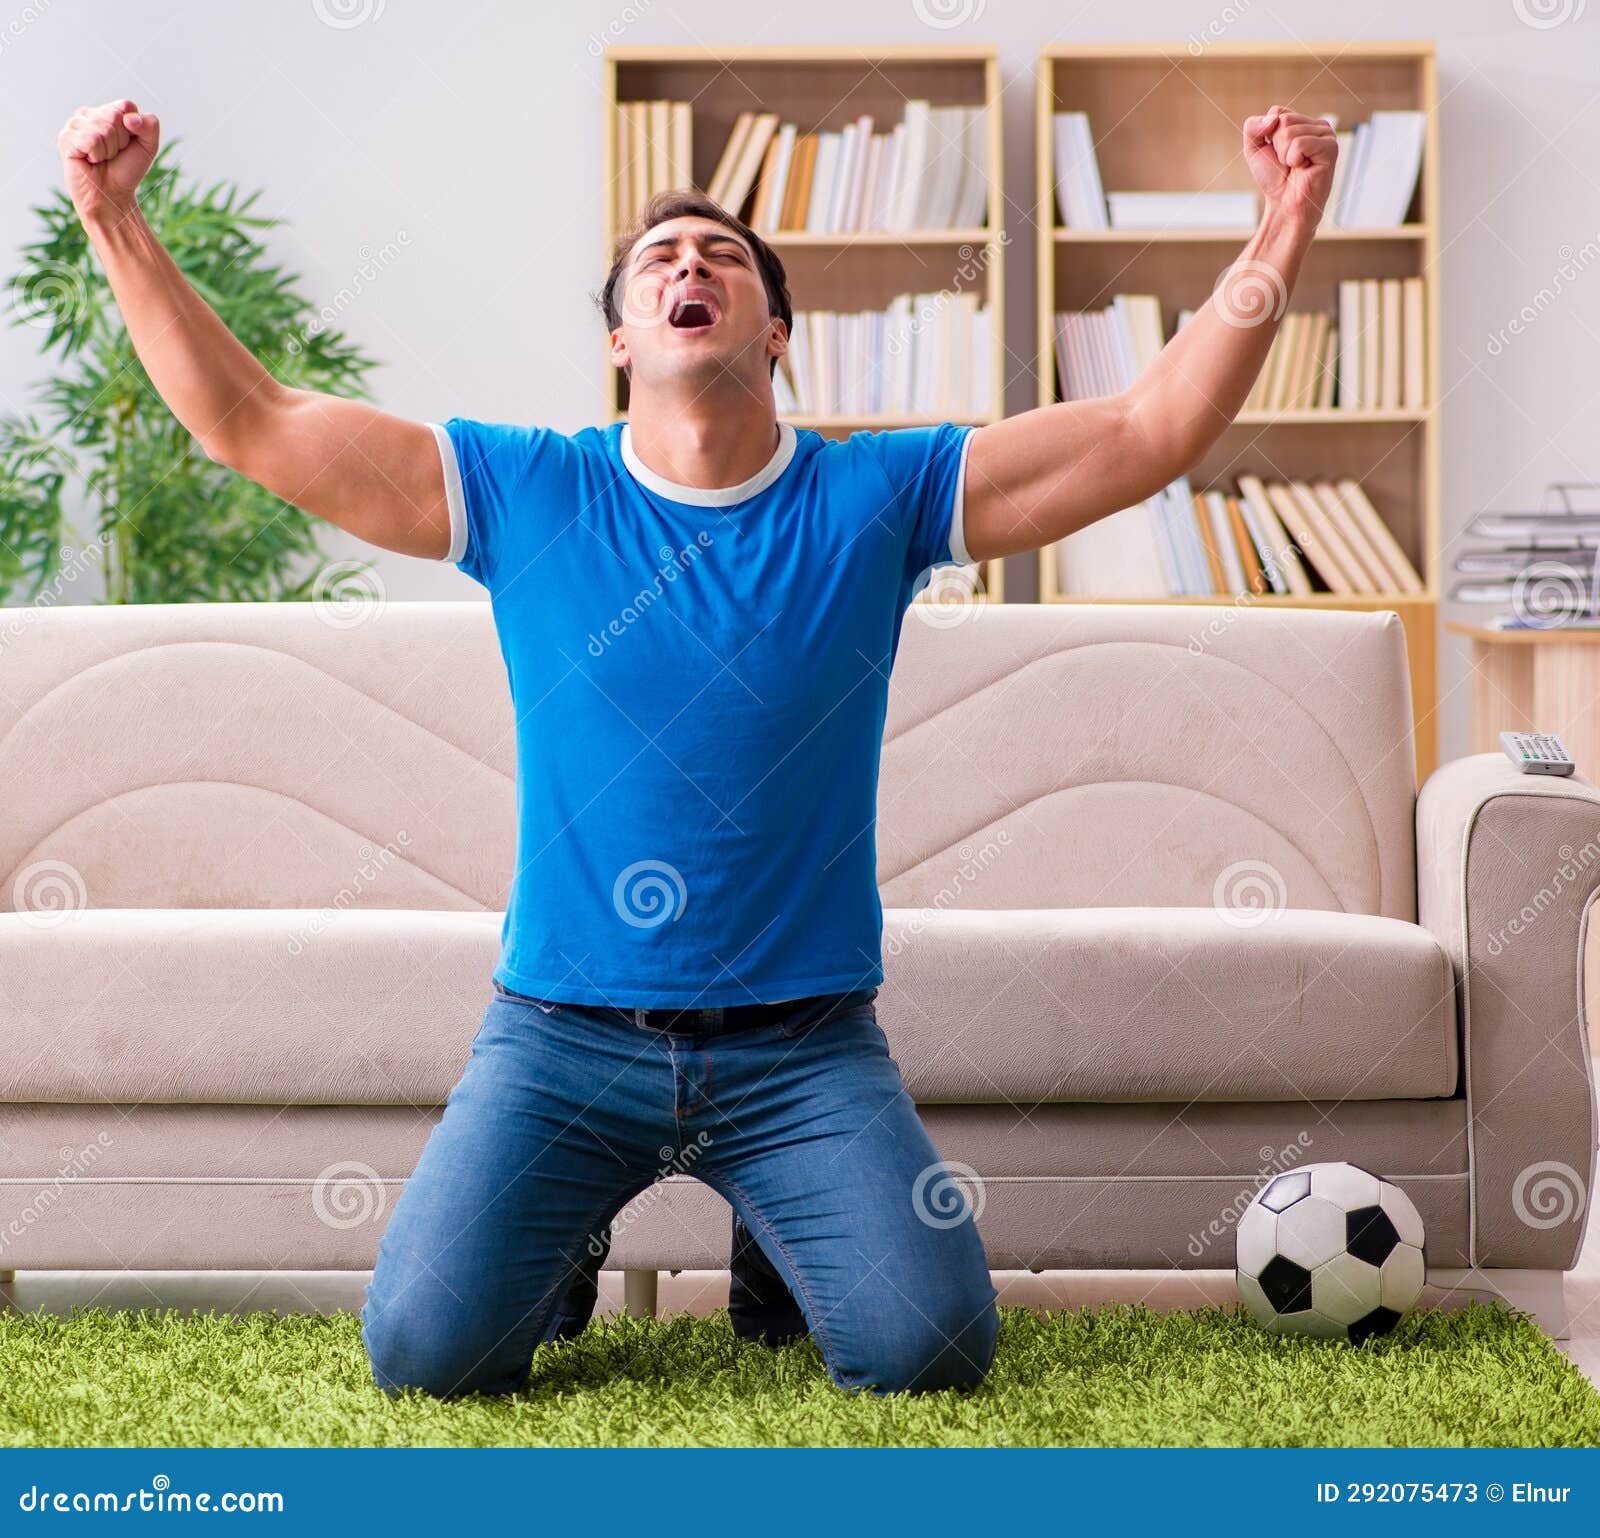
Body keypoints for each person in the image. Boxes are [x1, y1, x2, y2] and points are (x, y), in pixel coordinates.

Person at [56, 97, 1336, 1397]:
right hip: (563, 1035)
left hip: (802, 1046)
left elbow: (1144, 433)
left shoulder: (872, 497)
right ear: (621, 337)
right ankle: (574, 1218)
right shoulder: (526, 490)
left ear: (775, 331)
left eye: (723, 256)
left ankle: (771, 1222)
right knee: (426, 1348)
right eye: (659, 257)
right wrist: (114, 220)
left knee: (927, 1346)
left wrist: (1288, 217)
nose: (689, 265)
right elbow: (254, 422)